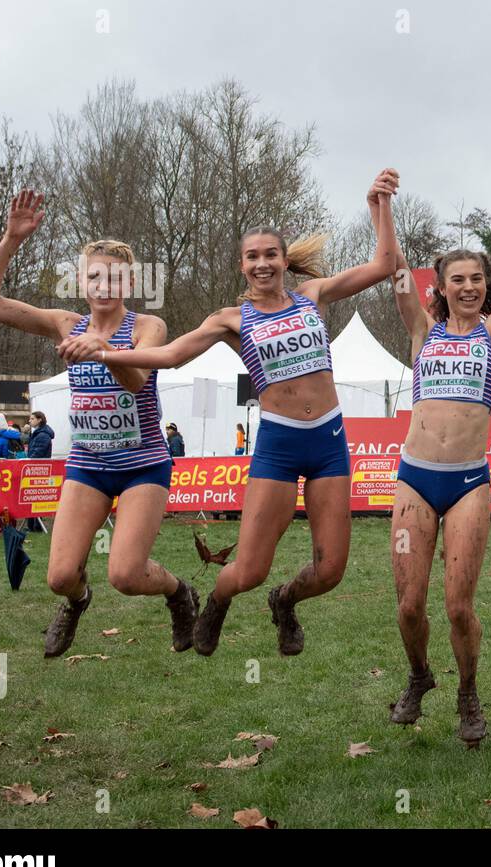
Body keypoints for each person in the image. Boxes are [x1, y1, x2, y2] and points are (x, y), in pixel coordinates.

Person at [91, 168, 399, 656]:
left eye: (270, 255)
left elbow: (385, 264)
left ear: (283, 261)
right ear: (242, 265)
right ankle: (214, 600)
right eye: (252, 257)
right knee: (249, 570)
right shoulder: (231, 320)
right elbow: (169, 356)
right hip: (278, 446)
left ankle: (286, 601)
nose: (262, 263)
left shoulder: (311, 296)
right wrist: (107, 352)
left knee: (331, 570)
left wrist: (378, 206)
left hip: (328, 442)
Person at [0, 189, 200, 657]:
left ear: (128, 283)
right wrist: (12, 239)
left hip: (143, 465)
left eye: (113, 277)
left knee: (127, 575)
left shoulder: (146, 328)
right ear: (81, 280)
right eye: (94, 276)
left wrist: (103, 349)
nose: (102, 285)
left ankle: (179, 593)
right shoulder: (64, 323)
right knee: (59, 578)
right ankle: (78, 602)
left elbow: (137, 381)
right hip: (88, 465)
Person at [385, 153, 491, 747]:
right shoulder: (424, 332)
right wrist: (385, 206)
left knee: (456, 607)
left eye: (477, 279)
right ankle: (420, 676)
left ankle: (468, 692)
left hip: (469, 481)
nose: (469, 287)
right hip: (414, 479)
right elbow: (395, 268)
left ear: (485, 286)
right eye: (458, 280)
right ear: (442, 289)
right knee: (407, 607)